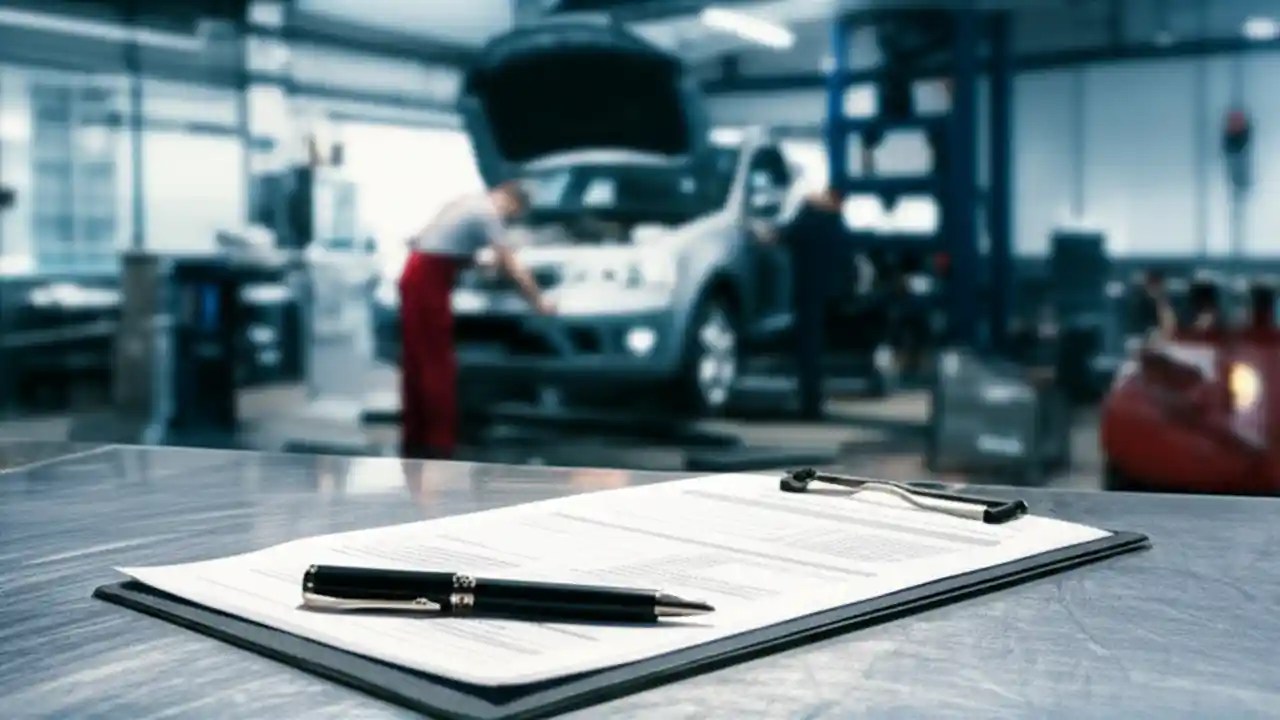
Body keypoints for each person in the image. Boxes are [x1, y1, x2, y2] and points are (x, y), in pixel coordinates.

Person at [398, 181, 554, 460]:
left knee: (416, 362)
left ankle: (415, 438)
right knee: (438, 363)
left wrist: (473, 263)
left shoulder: (466, 201)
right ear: (512, 202)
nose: (509, 219)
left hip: (415, 272)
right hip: (429, 281)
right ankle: (440, 442)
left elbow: (427, 242)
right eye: (513, 215)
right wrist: (538, 301)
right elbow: (511, 264)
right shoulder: (488, 213)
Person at [754, 188, 845, 419]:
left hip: (808, 292)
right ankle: (813, 403)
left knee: (808, 351)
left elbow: (779, 237)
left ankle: (810, 405)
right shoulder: (835, 221)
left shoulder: (810, 217)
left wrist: (757, 233)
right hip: (827, 292)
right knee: (815, 350)